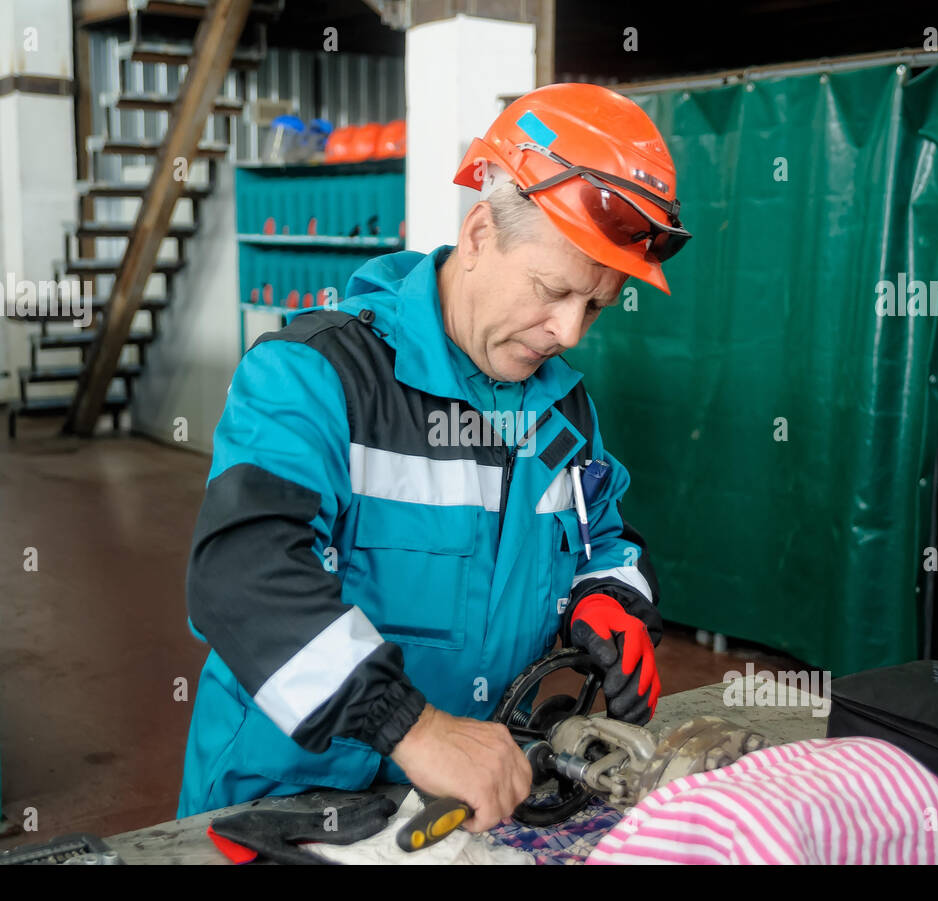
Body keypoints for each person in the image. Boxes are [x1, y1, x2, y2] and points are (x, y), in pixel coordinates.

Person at [177, 83, 691, 831]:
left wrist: (610, 595)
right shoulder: (316, 375)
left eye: (595, 306)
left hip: (467, 811)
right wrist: (412, 726)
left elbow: (604, 538)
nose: (570, 332)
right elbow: (240, 575)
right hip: (282, 813)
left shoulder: (562, 410)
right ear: (480, 232)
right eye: (554, 291)